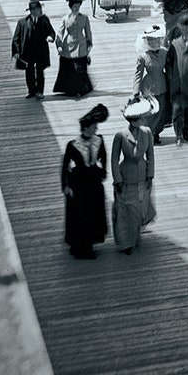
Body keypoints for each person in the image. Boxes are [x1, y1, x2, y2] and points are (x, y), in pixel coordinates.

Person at [61, 104, 110, 259]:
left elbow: (103, 157)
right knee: (79, 215)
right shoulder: (73, 145)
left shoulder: (98, 141)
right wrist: (66, 186)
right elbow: (65, 167)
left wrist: (102, 171)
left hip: (93, 184)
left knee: (92, 215)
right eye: (94, 126)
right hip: (79, 185)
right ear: (86, 128)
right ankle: (80, 247)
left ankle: (87, 246)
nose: (96, 129)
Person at [111, 99, 158, 254]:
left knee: (139, 208)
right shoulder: (121, 136)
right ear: (133, 120)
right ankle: (126, 243)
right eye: (140, 118)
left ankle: (135, 236)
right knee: (125, 211)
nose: (143, 121)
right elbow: (114, 159)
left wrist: (150, 175)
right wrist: (117, 180)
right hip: (126, 177)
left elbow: (150, 154)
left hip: (142, 176)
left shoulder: (147, 132)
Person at [12, 0, 57, 98]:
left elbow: (51, 31)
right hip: (28, 50)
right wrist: (16, 51)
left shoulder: (44, 20)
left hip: (40, 50)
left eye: (40, 9)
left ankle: (40, 92)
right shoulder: (22, 22)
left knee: (40, 71)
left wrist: (50, 37)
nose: (40, 11)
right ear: (32, 11)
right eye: (38, 9)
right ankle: (32, 91)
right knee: (29, 71)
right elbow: (16, 38)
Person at [53, 0, 95, 98]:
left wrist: (89, 43)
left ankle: (81, 89)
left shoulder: (84, 18)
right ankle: (70, 89)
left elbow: (88, 32)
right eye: (74, 7)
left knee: (80, 68)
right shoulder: (65, 19)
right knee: (69, 68)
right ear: (70, 7)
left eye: (78, 6)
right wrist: (59, 45)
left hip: (81, 44)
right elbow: (60, 33)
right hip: (68, 45)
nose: (76, 8)